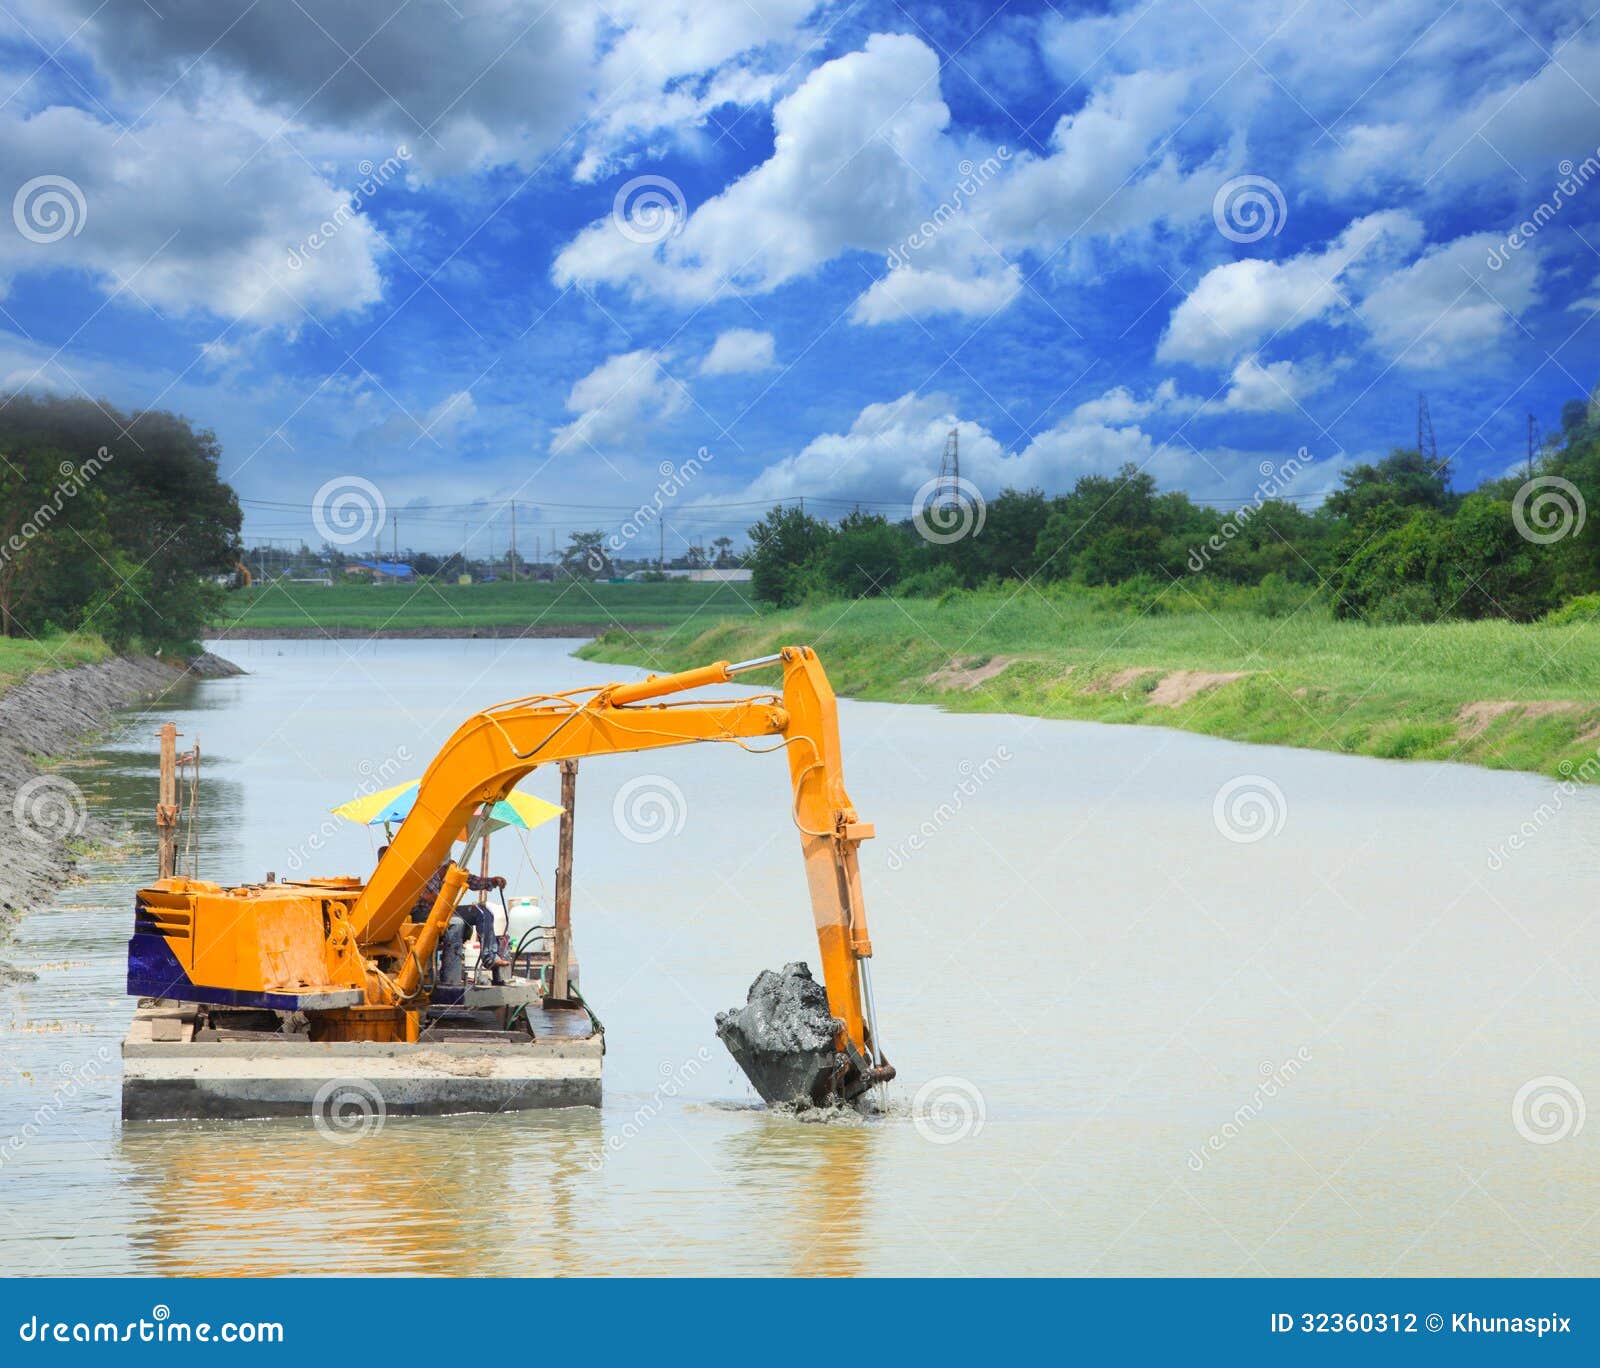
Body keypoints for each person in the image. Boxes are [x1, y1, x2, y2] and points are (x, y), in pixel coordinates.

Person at [378, 847, 510, 986]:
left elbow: (472, 881)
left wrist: (492, 882)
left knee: (482, 911)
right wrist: (447, 890)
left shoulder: (451, 869)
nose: (448, 868)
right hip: (421, 914)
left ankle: (490, 957)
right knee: (456, 923)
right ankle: (448, 979)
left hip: (442, 911)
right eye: (445, 867)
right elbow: (421, 898)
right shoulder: (421, 870)